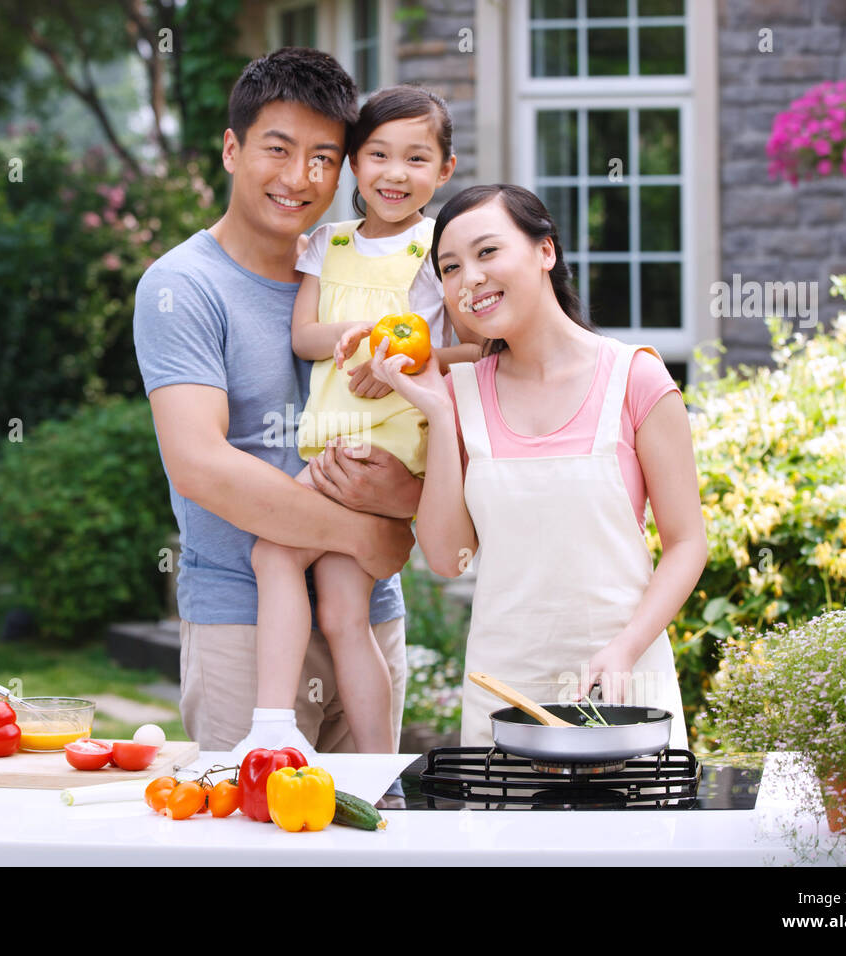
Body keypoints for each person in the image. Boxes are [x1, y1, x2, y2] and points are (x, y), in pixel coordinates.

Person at [132, 49, 419, 757]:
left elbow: (436, 416)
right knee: (256, 843)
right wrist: (363, 533)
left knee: (376, 830)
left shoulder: (373, 271)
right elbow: (202, 466)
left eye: (324, 157)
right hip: (244, 624)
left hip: (370, 613)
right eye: (278, 149)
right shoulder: (183, 288)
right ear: (232, 150)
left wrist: (411, 494)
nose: (300, 179)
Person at [368, 184, 707, 749]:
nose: (469, 279)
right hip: (505, 696)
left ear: (545, 251)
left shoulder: (636, 380)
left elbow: (688, 542)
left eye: (486, 253)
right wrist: (433, 407)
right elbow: (448, 559)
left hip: (623, 694)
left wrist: (625, 649)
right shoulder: (457, 395)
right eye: (449, 268)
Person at [236, 87, 482, 758]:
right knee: (345, 616)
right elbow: (304, 336)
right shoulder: (329, 244)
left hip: (390, 446)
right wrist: (357, 334)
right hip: (338, 445)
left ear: (445, 170)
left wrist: (404, 357)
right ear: (353, 164)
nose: (395, 174)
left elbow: (479, 350)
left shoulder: (440, 248)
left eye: (416, 158)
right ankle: (385, 777)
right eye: (377, 155)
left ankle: (268, 729)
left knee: (272, 552)